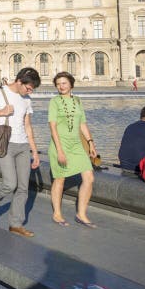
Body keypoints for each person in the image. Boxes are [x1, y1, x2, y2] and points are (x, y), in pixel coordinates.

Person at [0, 67, 41, 238]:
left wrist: (34, 151)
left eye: (32, 89)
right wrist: (1, 112)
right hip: (5, 143)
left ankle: (16, 224)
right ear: (19, 81)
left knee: (22, 187)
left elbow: (28, 126)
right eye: (29, 88)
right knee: (9, 183)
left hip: (23, 146)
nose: (30, 91)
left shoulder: (26, 99)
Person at [47, 72, 97, 228]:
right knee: (60, 179)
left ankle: (81, 214)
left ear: (71, 84)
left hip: (76, 145)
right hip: (59, 145)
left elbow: (82, 124)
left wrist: (90, 143)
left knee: (89, 178)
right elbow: (52, 126)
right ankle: (57, 213)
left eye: (64, 83)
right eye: (58, 84)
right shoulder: (54, 102)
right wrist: (60, 150)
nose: (61, 86)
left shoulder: (77, 101)